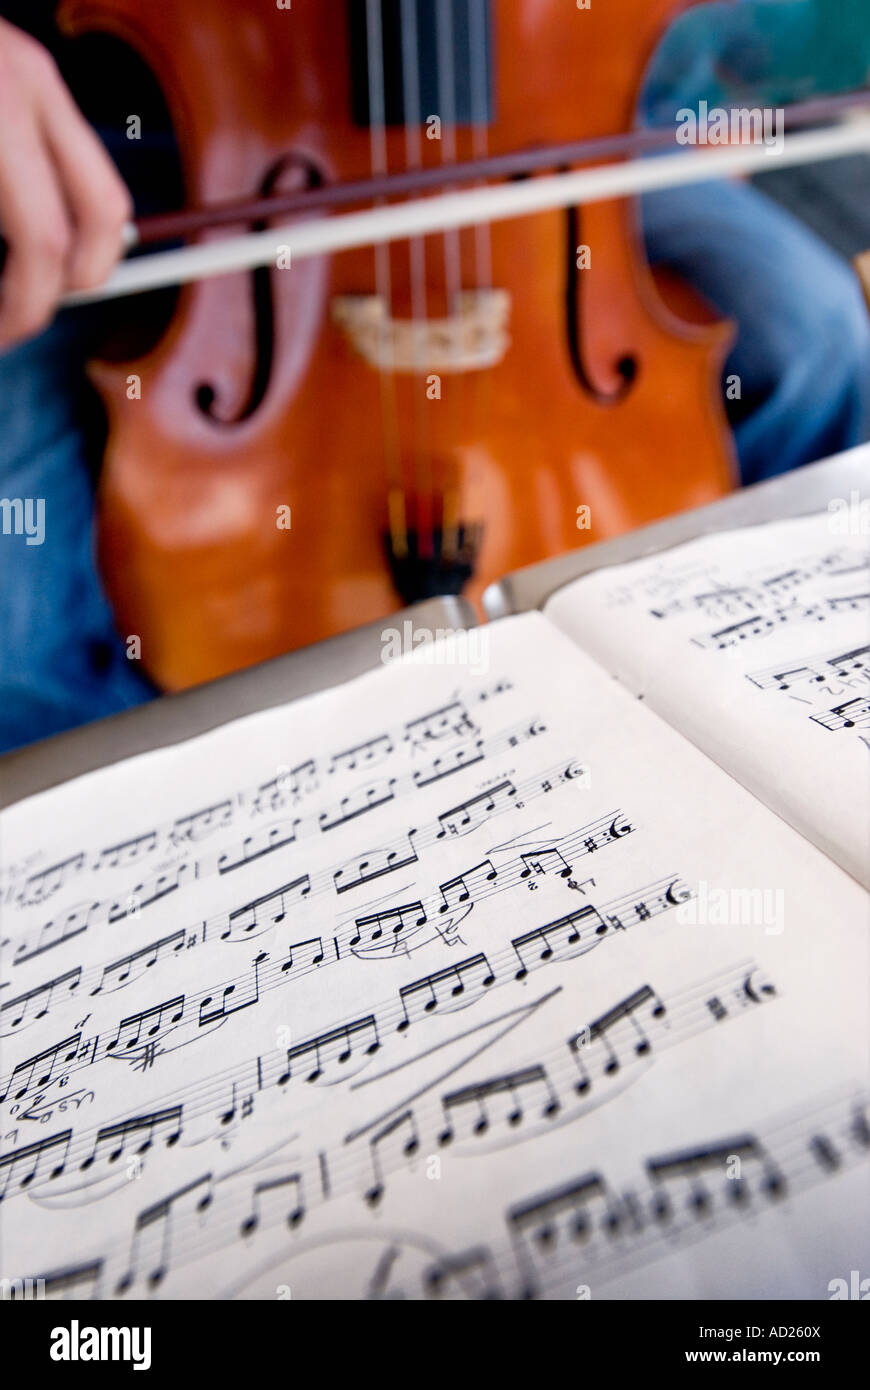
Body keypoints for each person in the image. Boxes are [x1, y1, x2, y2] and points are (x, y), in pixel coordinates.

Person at [1, 4, 869, 754]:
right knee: (18, 632)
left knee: (817, 338)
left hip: (549, 112)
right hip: (170, 132)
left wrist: (689, 94)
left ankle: (773, 704)